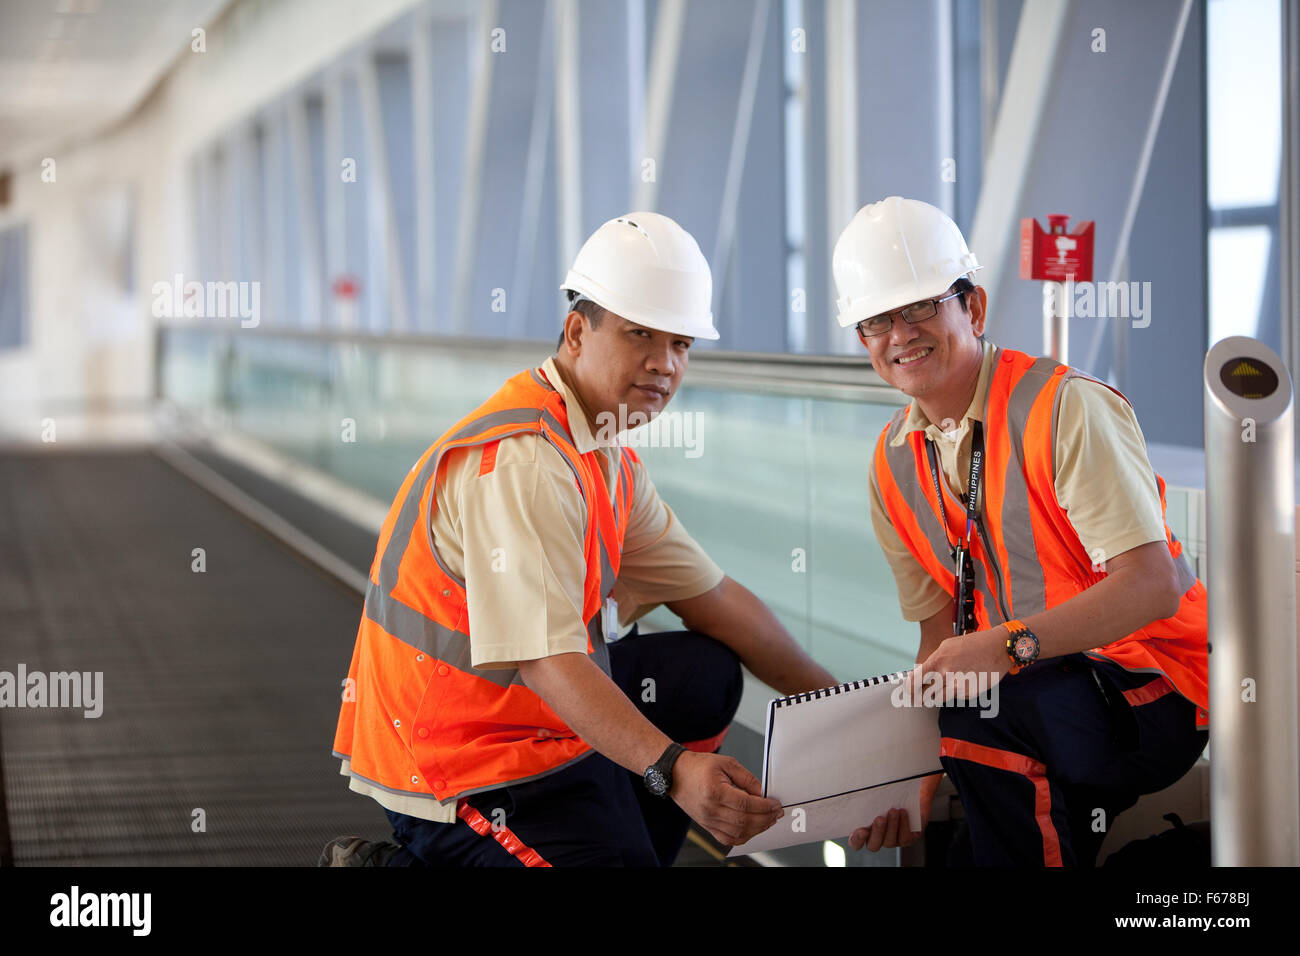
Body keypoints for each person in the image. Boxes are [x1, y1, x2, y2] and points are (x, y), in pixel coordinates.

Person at [321, 211, 837, 867]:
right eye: (640, 334)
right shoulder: (525, 462)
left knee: (704, 673)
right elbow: (549, 663)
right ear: (576, 332)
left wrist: (838, 722)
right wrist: (674, 770)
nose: (663, 363)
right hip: (457, 758)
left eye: (681, 344)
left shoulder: (604, 457)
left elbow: (717, 600)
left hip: (540, 722)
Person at [833, 196, 1209, 866]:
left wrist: (1007, 647)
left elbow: (1154, 585)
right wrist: (917, 767)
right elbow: (939, 634)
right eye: (876, 320)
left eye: (921, 306)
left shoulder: (1063, 408)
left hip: (1154, 687)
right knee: (969, 782)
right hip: (1036, 695)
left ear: (972, 308)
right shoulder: (891, 462)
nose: (899, 333)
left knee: (989, 709)